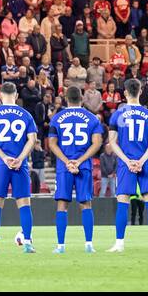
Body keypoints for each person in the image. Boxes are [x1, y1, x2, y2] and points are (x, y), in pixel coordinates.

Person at [108, 78, 148, 252]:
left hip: (126, 163)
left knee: (123, 200)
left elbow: (112, 142)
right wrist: (141, 160)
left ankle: (119, 244)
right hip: (144, 162)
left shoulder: (117, 114)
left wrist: (128, 161)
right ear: (140, 92)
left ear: (124, 93)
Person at [47, 85, 103, 253]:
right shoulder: (93, 119)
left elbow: (52, 143)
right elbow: (97, 142)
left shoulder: (56, 118)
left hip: (64, 167)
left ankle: (61, 246)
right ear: (82, 99)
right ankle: (88, 244)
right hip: (84, 165)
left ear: (66, 99)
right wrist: (79, 161)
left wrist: (67, 161)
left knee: (62, 204)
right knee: (85, 203)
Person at [0, 81, 39, 253]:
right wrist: (20, 158)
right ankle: (28, 243)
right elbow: (32, 139)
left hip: (1, 164)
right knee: (24, 204)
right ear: (16, 95)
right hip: (19, 165)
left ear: (0, 95)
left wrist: (4, 157)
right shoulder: (26, 115)